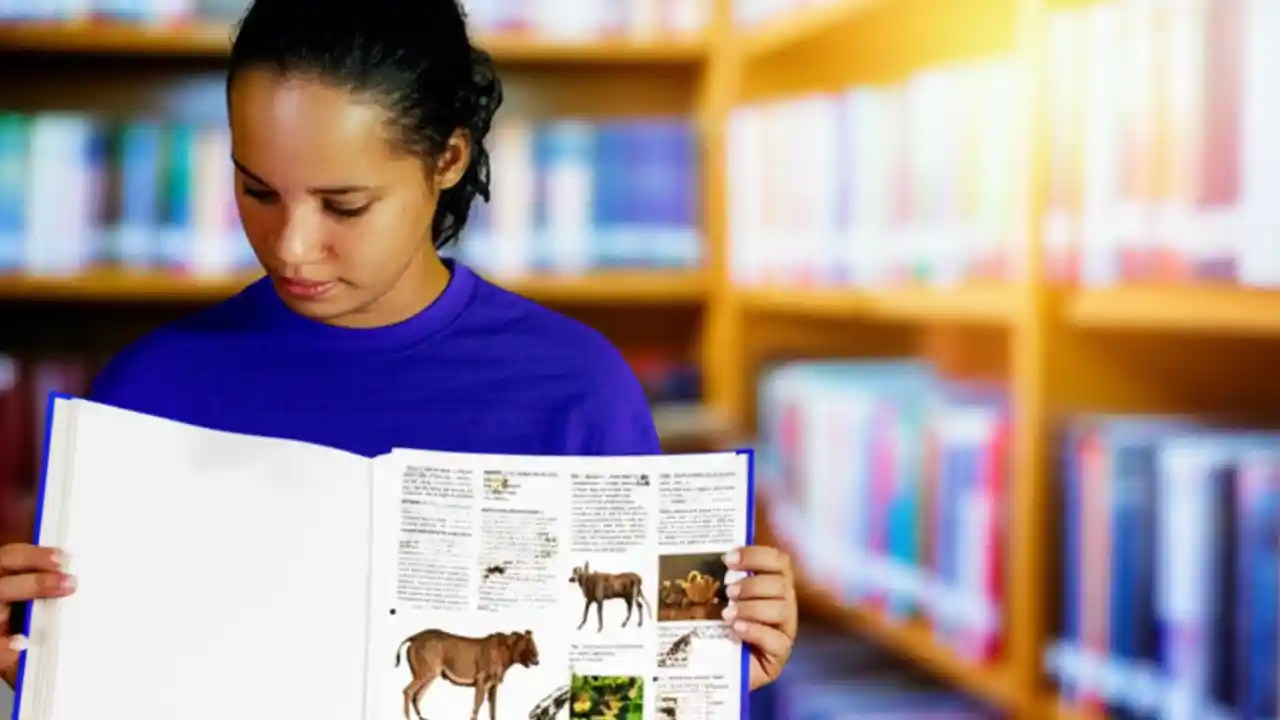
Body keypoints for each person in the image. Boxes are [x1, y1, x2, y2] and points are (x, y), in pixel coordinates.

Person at [0, 0, 797, 709]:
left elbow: (613, 686)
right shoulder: (148, 389)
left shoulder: (579, 389)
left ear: (447, 160)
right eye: (257, 190)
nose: (292, 246)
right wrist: (43, 662)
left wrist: (706, 662)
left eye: (344, 204)